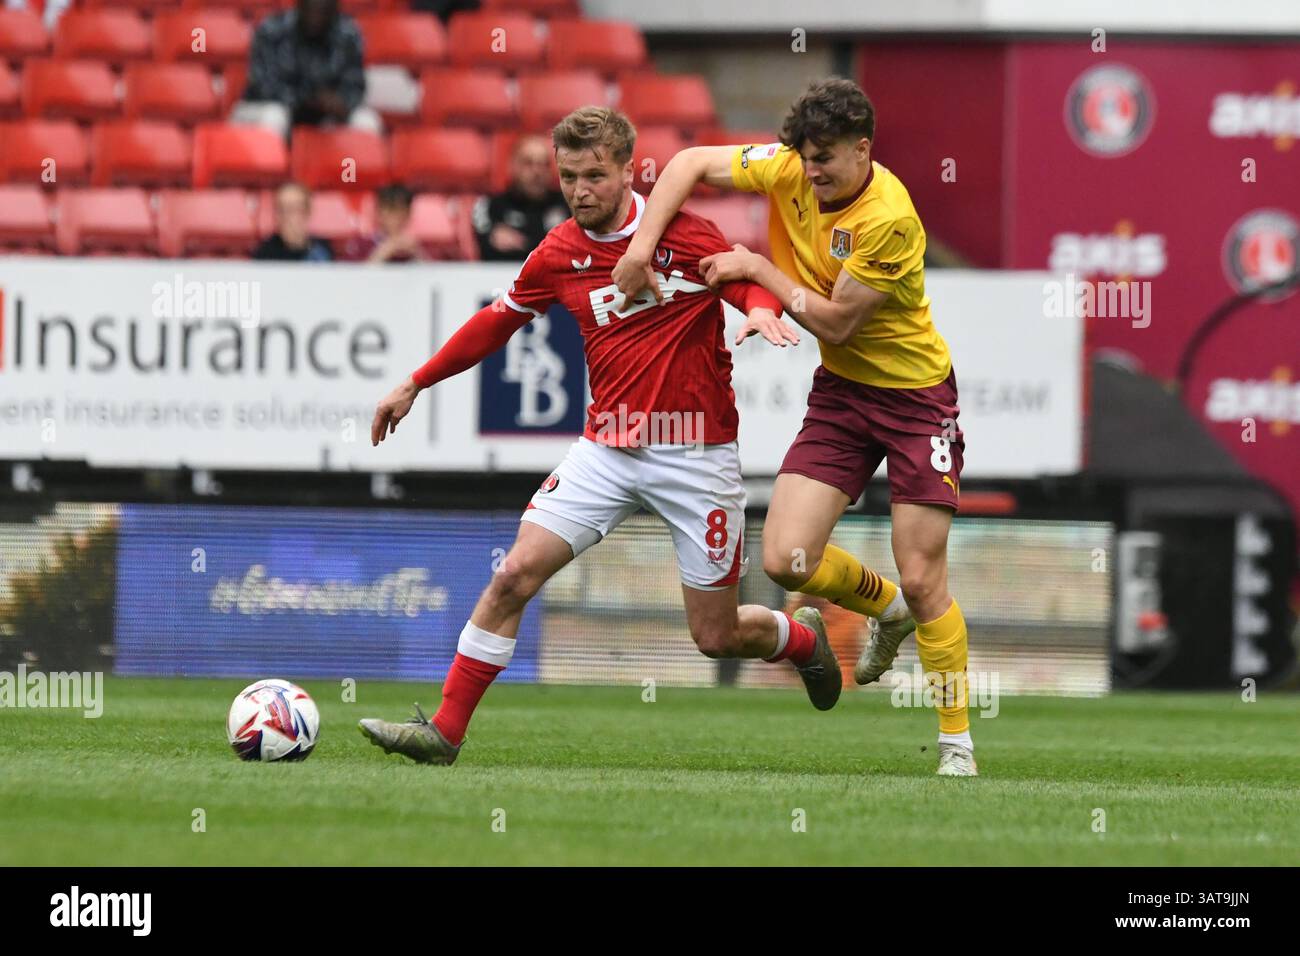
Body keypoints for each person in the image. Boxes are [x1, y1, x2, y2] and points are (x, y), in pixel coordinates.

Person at [358, 107, 838, 766]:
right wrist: (415, 382)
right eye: (569, 177)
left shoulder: (685, 236)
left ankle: (801, 639)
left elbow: (750, 284)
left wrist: (760, 315)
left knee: (716, 634)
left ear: (626, 171)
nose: (580, 190)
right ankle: (444, 732)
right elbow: (495, 324)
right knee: (513, 576)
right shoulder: (559, 253)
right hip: (605, 451)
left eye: (594, 175)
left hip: (697, 457)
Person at [612, 78, 976, 776]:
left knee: (927, 574)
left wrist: (755, 269)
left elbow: (836, 319)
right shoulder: (788, 165)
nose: (810, 172)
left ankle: (957, 742)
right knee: (786, 561)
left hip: (915, 399)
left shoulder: (889, 217)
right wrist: (640, 248)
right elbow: (687, 164)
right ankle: (888, 609)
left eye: (826, 159)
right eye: (804, 157)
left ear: (863, 149)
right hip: (843, 394)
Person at [232, 0, 380, 140]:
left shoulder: (348, 34)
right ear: (300, 5)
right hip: (264, 109)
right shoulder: (272, 30)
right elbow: (262, 86)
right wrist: (307, 99)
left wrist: (341, 102)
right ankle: (269, 167)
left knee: (366, 122)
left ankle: (348, 167)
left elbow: (356, 85)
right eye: (312, 9)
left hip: (324, 114)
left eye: (324, 11)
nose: (317, 18)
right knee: (274, 116)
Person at [472, 135, 570, 262]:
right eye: (528, 163)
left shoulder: (567, 205)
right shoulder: (489, 205)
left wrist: (522, 243)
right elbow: (487, 250)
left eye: (544, 164)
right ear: (512, 166)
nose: (537, 171)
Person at [338, 185, 424, 263]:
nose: (396, 217)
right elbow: (351, 276)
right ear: (377, 212)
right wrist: (383, 252)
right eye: (390, 210)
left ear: (408, 214)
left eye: (402, 211)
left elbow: (431, 276)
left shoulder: (417, 245)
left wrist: (416, 254)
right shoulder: (361, 244)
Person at [252, 182, 333, 261]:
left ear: (307, 212)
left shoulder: (322, 251)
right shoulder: (264, 254)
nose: (285, 216)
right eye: (280, 209)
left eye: (291, 208)